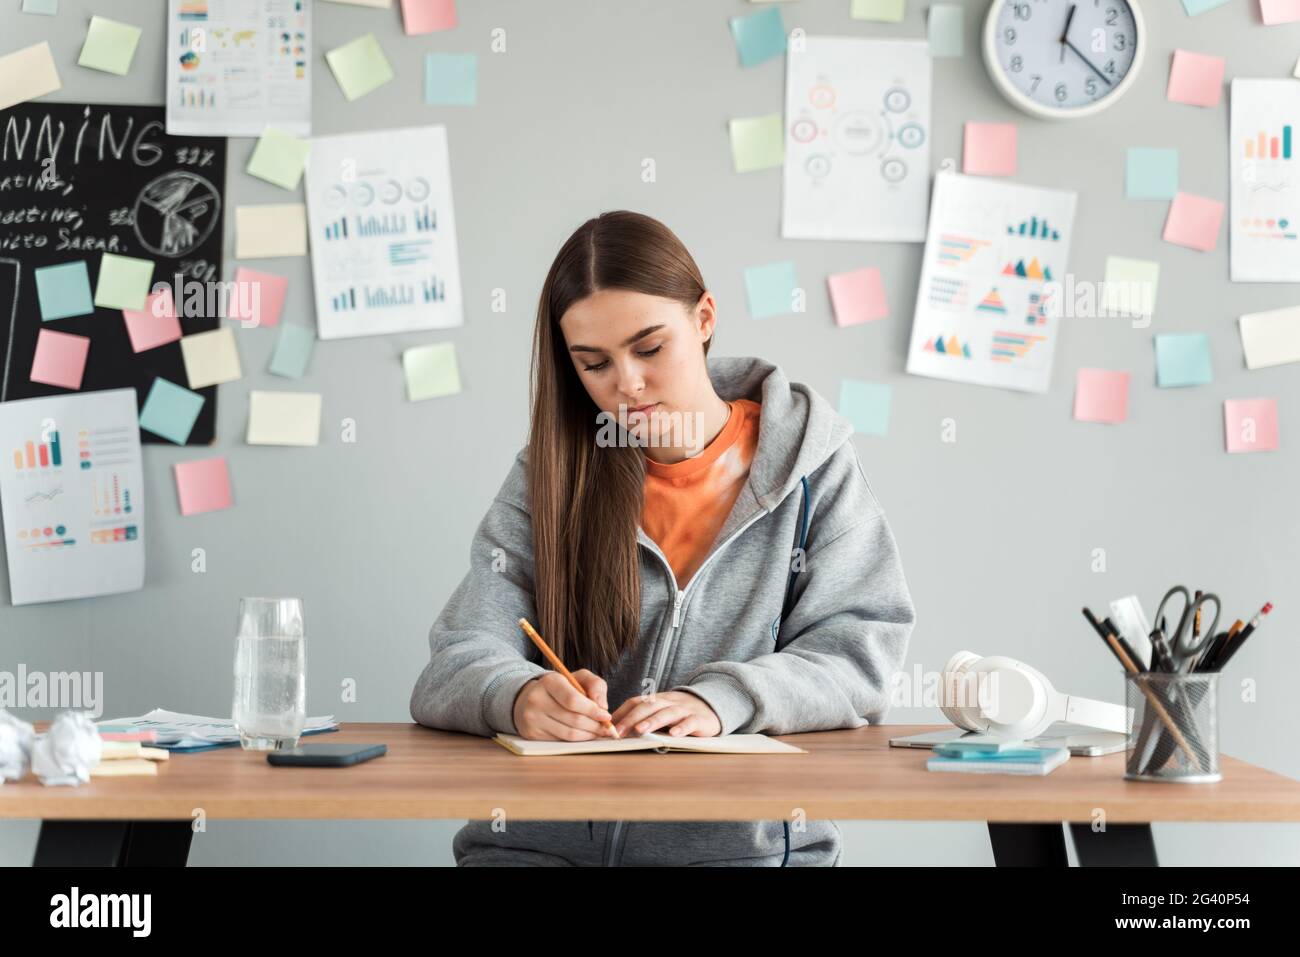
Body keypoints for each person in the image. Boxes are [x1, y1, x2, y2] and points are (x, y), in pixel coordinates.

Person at [410, 210, 916, 866]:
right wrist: (517, 694)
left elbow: (861, 659)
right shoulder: (551, 473)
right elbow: (453, 659)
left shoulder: (813, 468)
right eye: (593, 364)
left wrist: (723, 699)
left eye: (649, 348)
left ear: (704, 318)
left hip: (740, 855)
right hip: (534, 851)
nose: (625, 385)